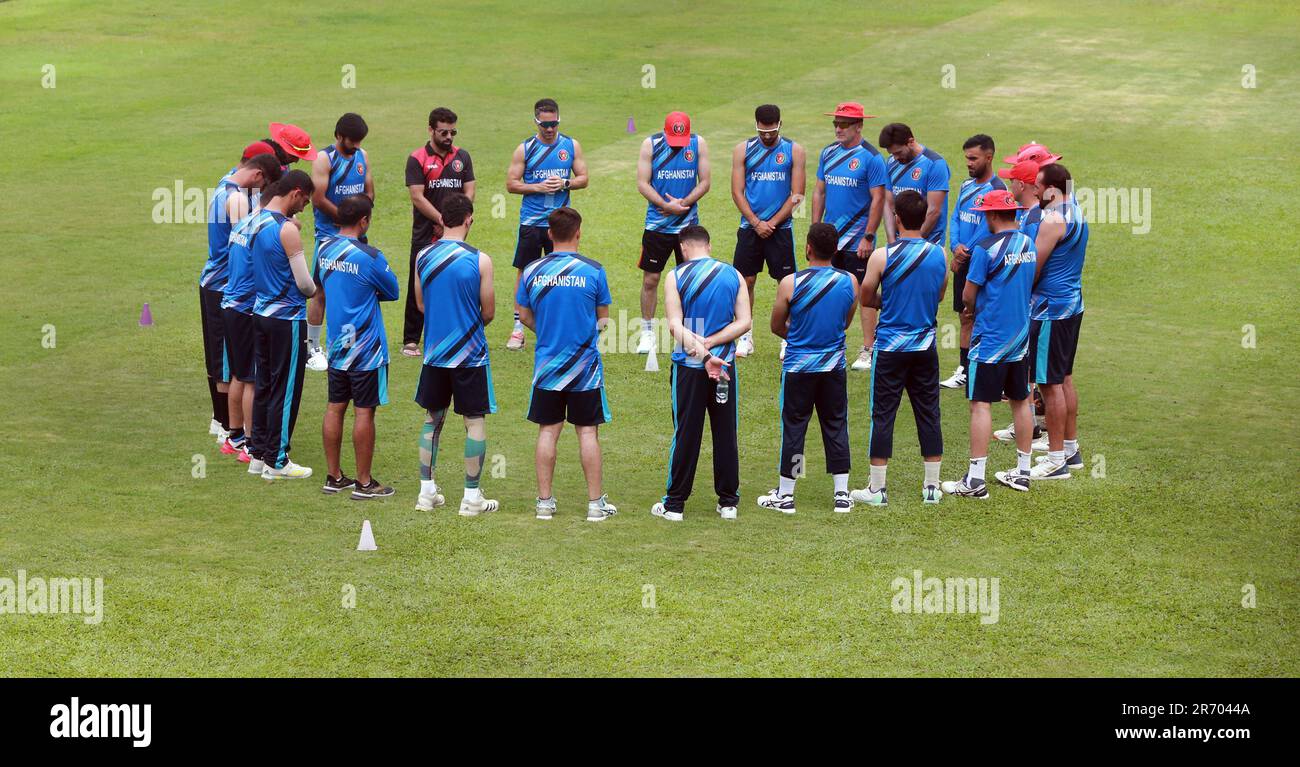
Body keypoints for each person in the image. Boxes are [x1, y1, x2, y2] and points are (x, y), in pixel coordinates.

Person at [515, 207, 617, 522]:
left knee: (548, 430)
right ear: (578, 232)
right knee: (587, 432)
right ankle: (594, 505)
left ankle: (544, 503)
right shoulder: (593, 270)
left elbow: (523, 313)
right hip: (585, 367)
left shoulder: (532, 270)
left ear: (549, 233)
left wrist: (545, 333)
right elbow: (603, 320)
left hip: (547, 365)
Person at [850, 190, 948, 506]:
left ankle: (877, 490)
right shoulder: (939, 255)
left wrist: (887, 302)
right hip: (925, 346)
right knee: (929, 413)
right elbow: (940, 295)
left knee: (883, 415)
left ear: (897, 218)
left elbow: (866, 297)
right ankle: (931, 488)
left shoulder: (882, 255)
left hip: (891, 348)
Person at [939, 190, 1037, 498]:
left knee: (980, 404)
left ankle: (976, 480)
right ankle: (1023, 472)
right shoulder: (1028, 243)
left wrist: (970, 308)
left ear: (993, 215)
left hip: (989, 340)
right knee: (1021, 401)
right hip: (1020, 339)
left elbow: (968, 295)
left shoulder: (985, 248)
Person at [757, 223, 859, 514]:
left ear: (808, 248)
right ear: (836, 249)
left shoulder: (790, 282)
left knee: (795, 427)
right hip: (833, 367)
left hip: (799, 368)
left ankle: (786, 495)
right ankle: (842, 494)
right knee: (836, 425)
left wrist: (800, 337)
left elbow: (776, 325)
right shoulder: (849, 281)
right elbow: (845, 321)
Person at [651, 225, 749, 522]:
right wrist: (714, 345)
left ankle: (675, 506)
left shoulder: (675, 276)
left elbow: (674, 326)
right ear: (709, 244)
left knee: (686, 434)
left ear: (682, 248)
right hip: (725, 369)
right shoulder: (734, 275)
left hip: (690, 369)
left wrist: (702, 350)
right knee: (725, 434)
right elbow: (744, 322)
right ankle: (728, 503)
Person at [412, 193, 501, 517]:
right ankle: (472, 498)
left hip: (435, 354)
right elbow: (488, 312)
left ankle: (426, 493)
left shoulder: (423, 256)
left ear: (441, 220)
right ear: (469, 220)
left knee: (431, 421)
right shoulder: (480, 260)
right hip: (470, 356)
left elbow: (420, 304)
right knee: (473, 422)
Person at [315, 195, 400, 499]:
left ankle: (334, 476)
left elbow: (318, 289)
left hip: (337, 344)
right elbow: (392, 290)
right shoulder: (370, 256)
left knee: (335, 408)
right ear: (364, 221)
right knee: (364, 413)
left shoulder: (323, 249)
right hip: (367, 349)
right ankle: (364, 483)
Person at [200, 154, 281, 447]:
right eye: (264, 186)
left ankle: (225, 425)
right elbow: (243, 242)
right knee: (229, 364)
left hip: (215, 281)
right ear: (258, 176)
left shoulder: (223, 184)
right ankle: (228, 428)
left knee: (226, 360)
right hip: (225, 286)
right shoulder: (235, 199)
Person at [248, 170, 317, 479]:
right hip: (286, 318)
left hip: (260, 314)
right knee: (285, 389)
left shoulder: (256, 220)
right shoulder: (286, 230)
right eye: (304, 200)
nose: (304, 207)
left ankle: (259, 455)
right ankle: (278, 460)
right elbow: (304, 284)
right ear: (295, 193)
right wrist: (318, 290)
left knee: (264, 385)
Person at [506, 98, 589, 351]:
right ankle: (519, 329)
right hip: (532, 222)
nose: (550, 129)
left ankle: (557, 325)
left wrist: (565, 183)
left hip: (560, 222)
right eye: (545, 125)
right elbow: (511, 183)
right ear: (536, 122)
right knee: (525, 271)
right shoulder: (526, 149)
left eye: (554, 124)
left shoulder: (570, 146)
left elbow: (584, 178)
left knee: (561, 274)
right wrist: (537, 187)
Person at [811, 102, 886, 370]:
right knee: (830, 290)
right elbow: (819, 191)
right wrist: (814, 228)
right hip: (829, 239)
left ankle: (868, 349)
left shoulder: (871, 157)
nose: (838, 128)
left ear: (859, 126)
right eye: (836, 123)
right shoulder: (828, 153)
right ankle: (830, 344)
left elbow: (878, 199)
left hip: (857, 240)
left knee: (863, 293)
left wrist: (868, 236)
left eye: (843, 124)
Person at [1026, 163, 1088, 480]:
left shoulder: (1052, 220)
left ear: (1052, 189)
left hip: (1050, 309)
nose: (1034, 190)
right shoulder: (1077, 212)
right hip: (1072, 305)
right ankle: (1070, 449)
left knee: (1049, 385)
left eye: (1038, 185)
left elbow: (1034, 267)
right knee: (1064, 377)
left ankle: (1055, 461)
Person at [730, 104, 805, 358]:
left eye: (771, 131)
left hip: (780, 229)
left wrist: (771, 223)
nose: (767, 136)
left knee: (785, 283)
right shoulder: (743, 150)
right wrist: (756, 222)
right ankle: (745, 336)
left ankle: (787, 337)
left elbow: (797, 194)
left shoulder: (794, 150)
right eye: (762, 132)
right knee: (745, 281)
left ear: (780, 125)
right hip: (750, 227)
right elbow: (737, 191)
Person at [634, 111, 711, 354]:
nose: (678, 146)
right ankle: (647, 333)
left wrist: (683, 203)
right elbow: (643, 183)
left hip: (688, 227)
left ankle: (689, 334)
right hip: (657, 226)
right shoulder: (651, 145)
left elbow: (705, 181)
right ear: (665, 132)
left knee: (690, 281)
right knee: (651, 279)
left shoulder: (698, 144)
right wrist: (665, 206)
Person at [402, 107, 476, 358]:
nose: (449, 137)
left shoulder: (462, 157)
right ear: (431, 129)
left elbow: (470, 189)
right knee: (419, 284)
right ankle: (411, 339)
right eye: (443, 132)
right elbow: (417, 197)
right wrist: (443, 220)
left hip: (455, 231)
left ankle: (450, 332)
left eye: (453, 132)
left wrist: (463, 216)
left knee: (453, 281)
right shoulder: (417, 158)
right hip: (425, 233)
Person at [307, 113, 374, 372]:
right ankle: (312, 346)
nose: (355, 146)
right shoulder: (325, 159)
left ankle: (348, 344)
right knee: (321, 291)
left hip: (356, 234)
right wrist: (346, 220)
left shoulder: (362, 156)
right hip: (329, 235)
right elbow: (318, 198)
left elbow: (369, 190)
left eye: (359, 141)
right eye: (351, 141)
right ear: (338, 136)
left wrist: (361, 219)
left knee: (353, 290)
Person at [942, 134, 1005, 390]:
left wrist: (963, 252)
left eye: (973, 158)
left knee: (983, 315)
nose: (968, 163)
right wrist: (955, 245)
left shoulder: (997, 189)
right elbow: (956, 216)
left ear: (989, 157)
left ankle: (990, 370)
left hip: (980, 261)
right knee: (965, 315)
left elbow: (988, 227)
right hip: (964, 258)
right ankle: (965, 370)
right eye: (966, 158)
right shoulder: (966, 186)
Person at [993, 158, 1048, 446]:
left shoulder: (1036, 218)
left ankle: (1032, 427)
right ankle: (1029, 425)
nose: (1009, 183)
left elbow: (1033, 265)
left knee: (1030, 371)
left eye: (1012, 179)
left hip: (1034, 304)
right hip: (1031, 303)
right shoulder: (1030, 215)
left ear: (1022, 184)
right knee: (1028, 370)